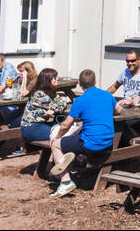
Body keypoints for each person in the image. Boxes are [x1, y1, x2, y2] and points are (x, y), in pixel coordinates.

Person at [49, 69, 114, 198]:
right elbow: (118, 110)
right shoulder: (107, 95)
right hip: (108, 142)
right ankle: (66, 159)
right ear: (95, 81)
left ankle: (66, 181)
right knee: (78, 130)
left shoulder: (79, 101)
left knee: (56, 145)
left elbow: (66, 124)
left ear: (79, 83)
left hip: (90, 144)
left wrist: (57, 137)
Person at [20, 68, 71, 145]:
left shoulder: (50, 91)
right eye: (54, 78)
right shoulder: (40, 95)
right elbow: (59, 105)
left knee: (62, 127)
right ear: (48, 80)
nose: (57, 79)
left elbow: (60, 105)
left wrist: (59, 105)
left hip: (39, 125)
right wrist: (63, 101)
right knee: (63, 132)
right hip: (31, 128)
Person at [0, 52, 23, 128]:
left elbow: (1, 89)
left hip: (9, 103)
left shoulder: (8, 68)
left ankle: (0, 132)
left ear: (3, 60)